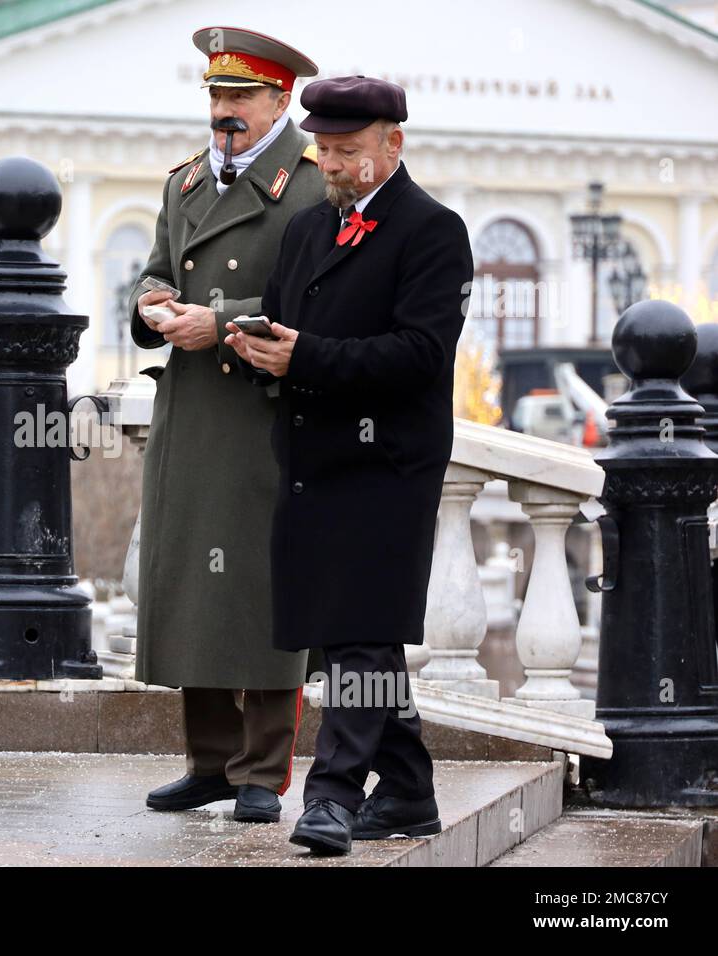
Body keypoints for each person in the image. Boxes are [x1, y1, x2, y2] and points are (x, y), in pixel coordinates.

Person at [225, 75, 473, 853]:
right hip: (312, 457)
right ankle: (406, 789)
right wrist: (260, 350)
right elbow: (289, 331)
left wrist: (305, 355)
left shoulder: (435, 231)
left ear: (391, 146)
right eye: (322, 149)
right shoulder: (305, 230)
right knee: (341, 632)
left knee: (362, 628)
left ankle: (331, 795)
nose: (328, 163)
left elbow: (421, 354)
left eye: (346, 151)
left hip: (388, 464)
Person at [128, 26, 325, 824]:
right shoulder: (183, 186)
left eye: (240, 97)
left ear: (281, 101)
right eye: (215, 96)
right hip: (193, 417)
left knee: (262, 594)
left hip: (267, 416)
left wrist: (221, 324)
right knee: (195, 595)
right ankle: (209, 762)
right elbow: (154, 267)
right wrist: (148, 306)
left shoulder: (311, 190)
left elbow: (316, 303)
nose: (225, 111)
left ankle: (261, 771)